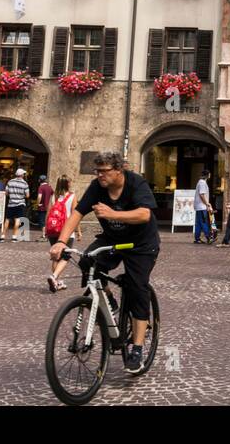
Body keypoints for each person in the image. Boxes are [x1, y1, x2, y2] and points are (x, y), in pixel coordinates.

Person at [50, 151, 161, 373]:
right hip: (112, 240)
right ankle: (109, 301)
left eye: (104, 171)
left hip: (141, 244)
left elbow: (144, 214)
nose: (100, 175)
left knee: (137, 287)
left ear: (119, 170)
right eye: (97, 171)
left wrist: (113, 214)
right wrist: (61, 242)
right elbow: (77, 213)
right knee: (87, 262)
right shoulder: (97, 187)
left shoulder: (135, 183)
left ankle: (137, 348)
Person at [44, 177, 77, 292]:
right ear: (67, 184)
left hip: (53, 229)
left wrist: (46, 228)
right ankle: (54, 277)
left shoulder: (54, 196)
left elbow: (48, 214)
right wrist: (78, 231)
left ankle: (56, 282)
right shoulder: (72, 196)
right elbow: (75, 215)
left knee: (55, 256)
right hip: (66, 231)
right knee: (66, 257)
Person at [0, 167, 29, 242]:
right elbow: (27, 195)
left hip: (11, 203)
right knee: (17, 220)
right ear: (22, 175)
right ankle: (14, 237)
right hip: (20, 203)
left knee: (7, 220)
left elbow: (6, 193)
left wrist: (12, 195)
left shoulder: (10, 182)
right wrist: (21, 195)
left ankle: (2, 236)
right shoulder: (24, 183)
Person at [193, 169, 214, 244]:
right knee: (203, 222)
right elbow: (202, 194)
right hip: (201, 206)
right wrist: (207, 203)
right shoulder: (202, 183)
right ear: (207, 175)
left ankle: (197, 238)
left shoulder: (201, 182)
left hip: (199, 206)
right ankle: (209, 237)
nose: (210, 175)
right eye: (209, 174)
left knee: (198, 223)